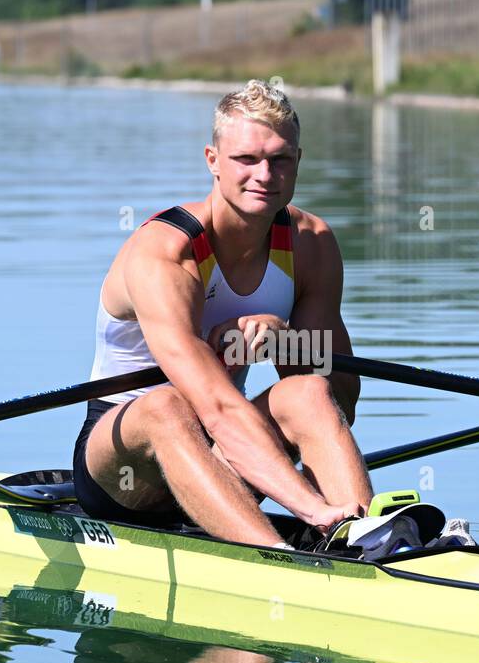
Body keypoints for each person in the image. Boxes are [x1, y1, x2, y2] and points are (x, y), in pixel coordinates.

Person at [73, 79, 371, 547]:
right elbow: (212, 408)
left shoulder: (311, 244)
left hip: (228, 459)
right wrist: (311, 508)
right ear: (213, 160)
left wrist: (284, 340)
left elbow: (342, 397)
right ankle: (278, 555)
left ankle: (367, 540)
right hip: (124, 468)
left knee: (309, 392)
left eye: (280, 159)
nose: (265, 175)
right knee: (167, 406)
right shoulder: (166, 251)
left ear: (298, 161)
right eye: (247, 159)